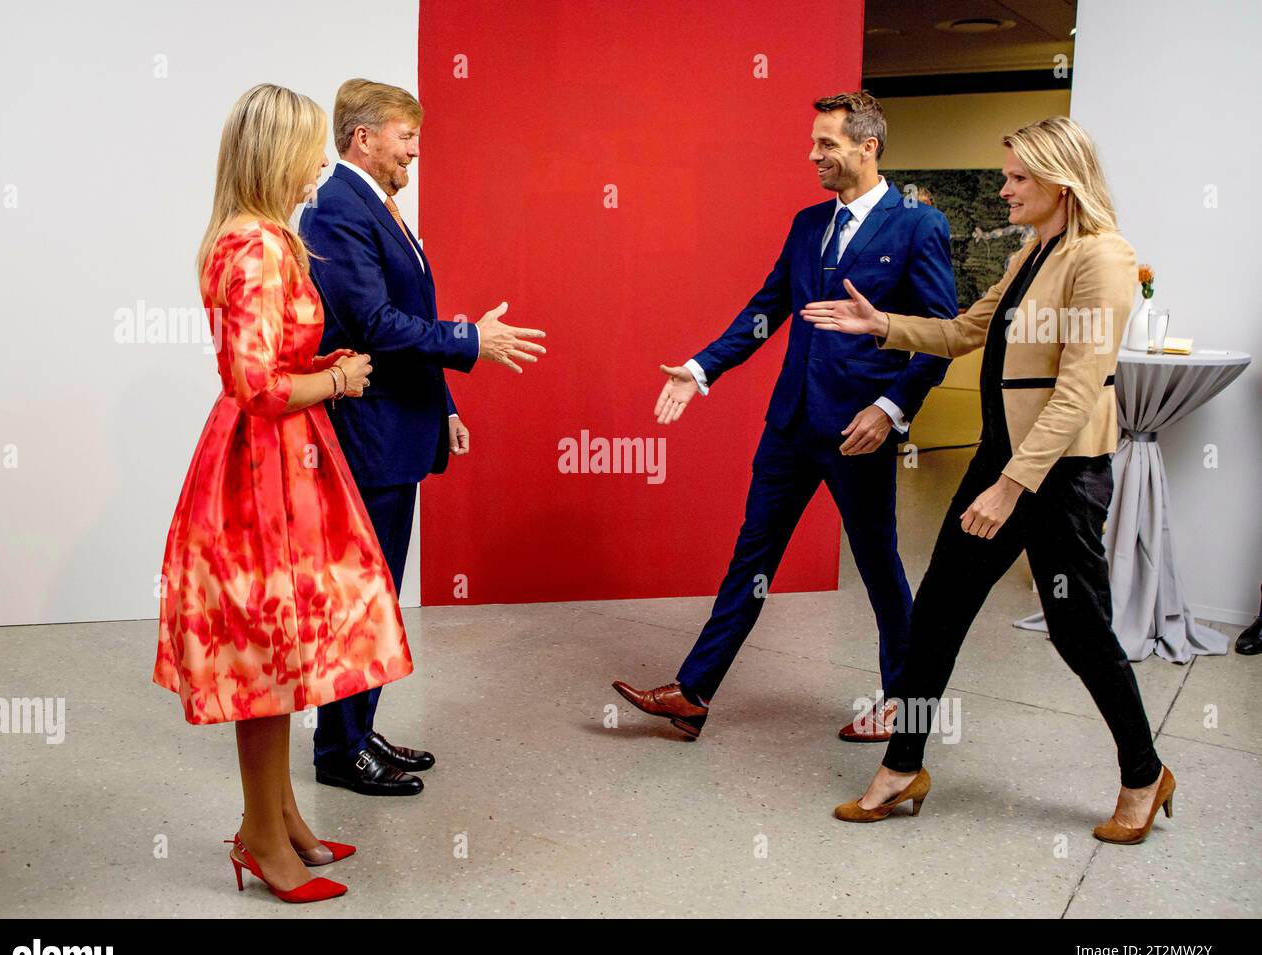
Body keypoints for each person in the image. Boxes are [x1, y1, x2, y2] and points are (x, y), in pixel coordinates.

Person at [803, 116, 1176, 844]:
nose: (1004, 189)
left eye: (1016, 177)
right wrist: (882, 323)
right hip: (1000, 458)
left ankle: (1144, 771)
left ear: (1059, 181)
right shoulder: (1033, 253)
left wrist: (1011, 486)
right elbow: (965, 328)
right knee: (937, 613)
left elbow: (1081, 387)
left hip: (1057, 475)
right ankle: (901, 767)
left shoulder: (1103, 257)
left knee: (1079, 631)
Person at [612, 91, 956, 742]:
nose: (813, 155)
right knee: (753, 558)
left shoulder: (918, 225)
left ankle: (905, 703)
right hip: (790, 423)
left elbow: (938, 336)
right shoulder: (806, 224)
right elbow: (766, 310)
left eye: (826, 143)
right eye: (813, 142)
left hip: (860, 429)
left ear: (867, 147)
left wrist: (889, 410)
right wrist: (701, 368)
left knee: (879, 564)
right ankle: (693, 692)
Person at [154, 83, 412, 902]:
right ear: (277, 153)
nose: (317, 168)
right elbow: (256, 383)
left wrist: (322, 371)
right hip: (265, 467)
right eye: (307, 150)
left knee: (279, 648)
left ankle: (282, 817)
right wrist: (337, 376)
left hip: (275, 462)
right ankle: (262, 837)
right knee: (266, 654)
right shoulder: (260, 246)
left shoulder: (251, 236)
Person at [300, 79, 546, 795]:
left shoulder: (375, 205)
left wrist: (442, 403)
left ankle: (356, 730)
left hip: (401, 425)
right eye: (405, 135)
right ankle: (339, 752)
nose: (415, 148)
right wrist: (471, 338)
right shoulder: (338, 212)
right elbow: (373, 325)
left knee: (374, 593)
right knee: (359, 594)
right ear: (363, 138)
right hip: (368, 435)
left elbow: (410, 313)